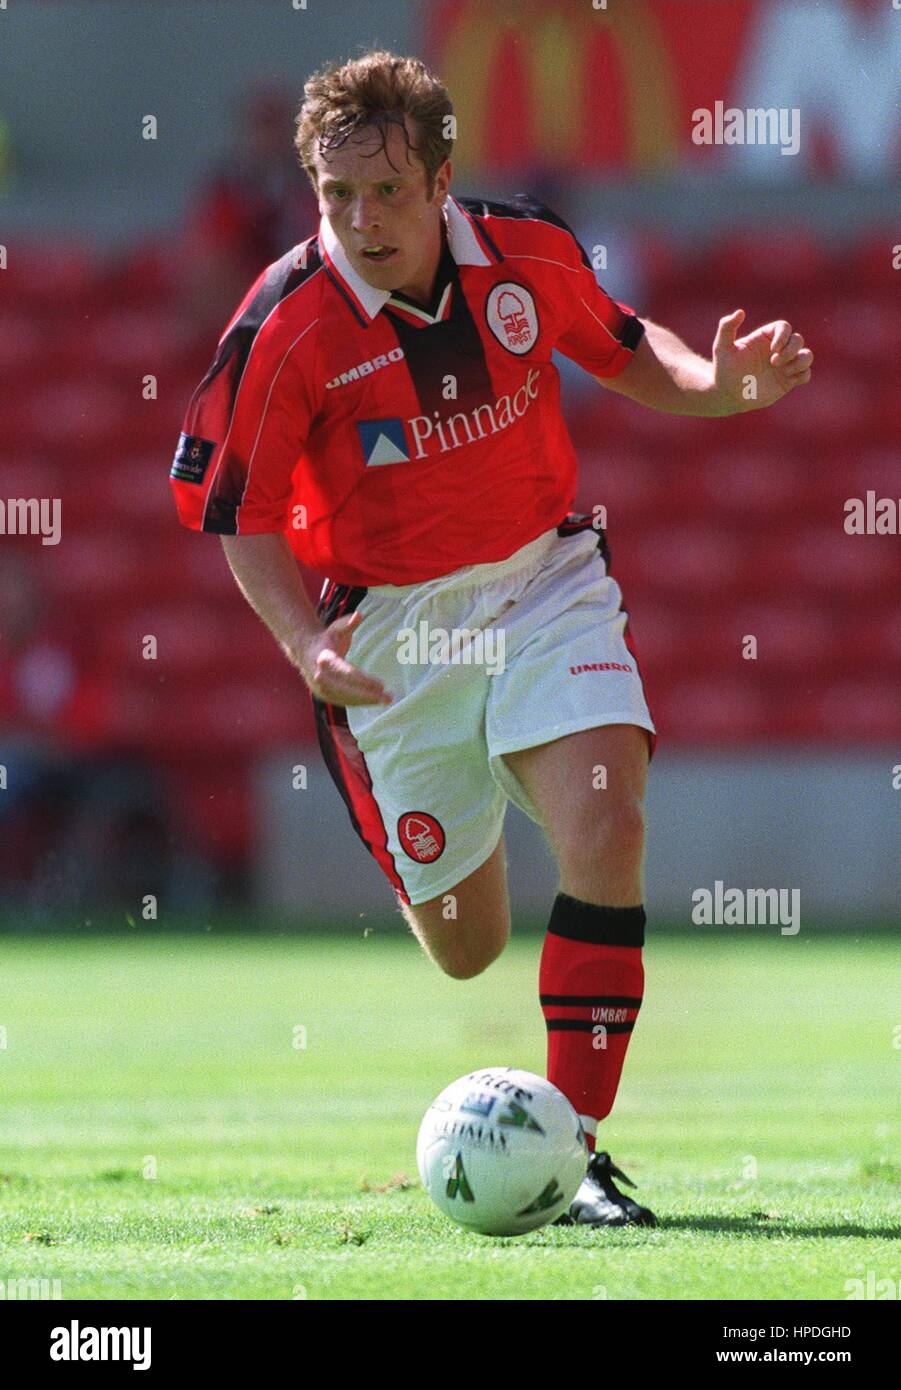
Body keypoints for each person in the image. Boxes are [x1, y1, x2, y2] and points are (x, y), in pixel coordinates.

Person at [169, 51, 813, 1227]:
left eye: (387, 193)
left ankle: (577, 1159)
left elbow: (629, 353)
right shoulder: (285, 323)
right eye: (335, 198)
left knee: (606, 825)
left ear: (444, 180)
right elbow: (237, 512)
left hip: (541, 580)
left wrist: (716, 386)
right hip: (389, 636)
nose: (361, 222)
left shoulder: (525, 252)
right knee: (467, 949)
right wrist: (306, 646)